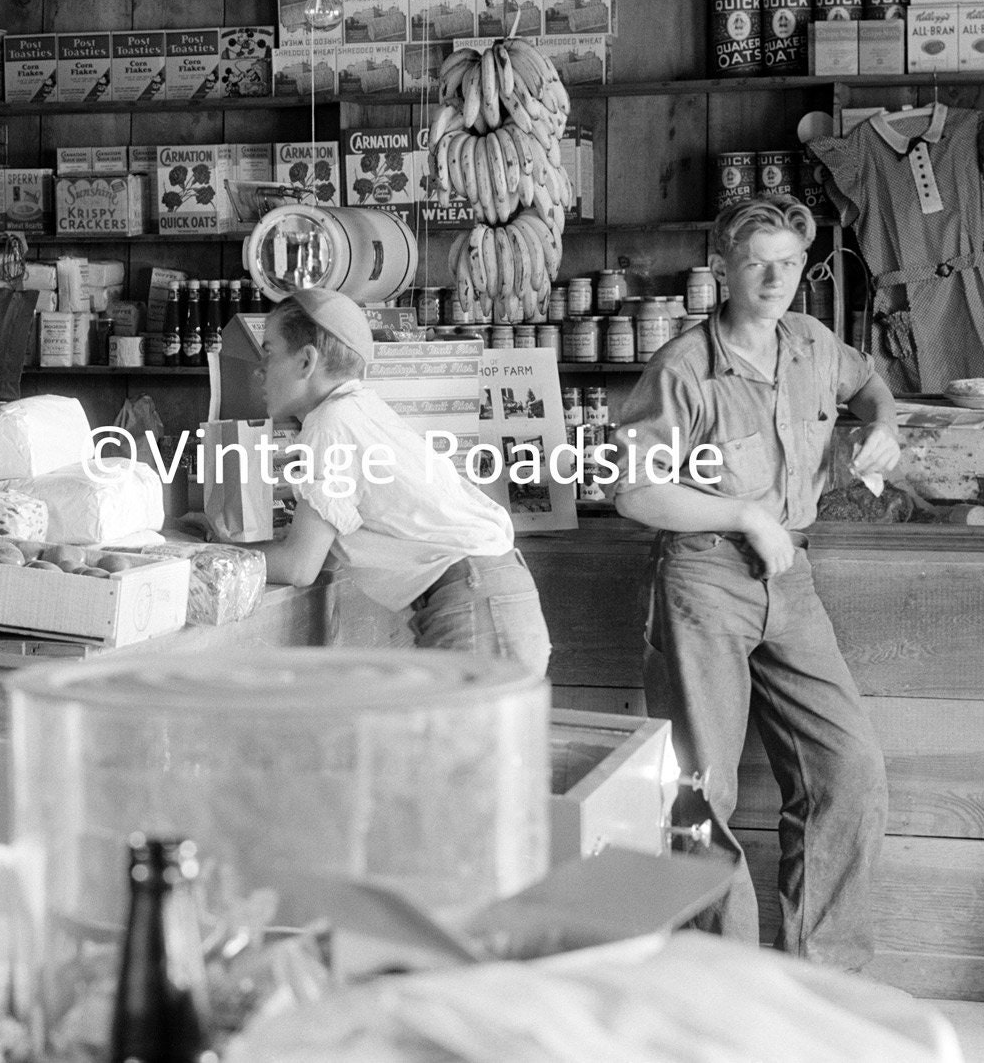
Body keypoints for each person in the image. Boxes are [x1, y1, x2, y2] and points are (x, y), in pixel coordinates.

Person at [610, 197, 903, 972]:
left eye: (790, 264)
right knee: (703, 793)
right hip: (704, 579)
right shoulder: (684, 366)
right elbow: (635, 491)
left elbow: (872, 385)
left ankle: (821, 976)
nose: (776, 278)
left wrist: (883, 424)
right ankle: (725, 982)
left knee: (851, 770)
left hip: (790, 580)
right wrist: (743, 512)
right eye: (756, 262)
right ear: (722, 271)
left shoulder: (810, 343)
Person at [255, 287, 551, 676]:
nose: (259, 369)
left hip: (475, 599)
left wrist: (209, 556)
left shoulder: (331, 425)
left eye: (268, 352)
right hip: (488, 592)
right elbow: (321, 545)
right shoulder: (357, 410)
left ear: (306, 361)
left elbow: (299, 567)